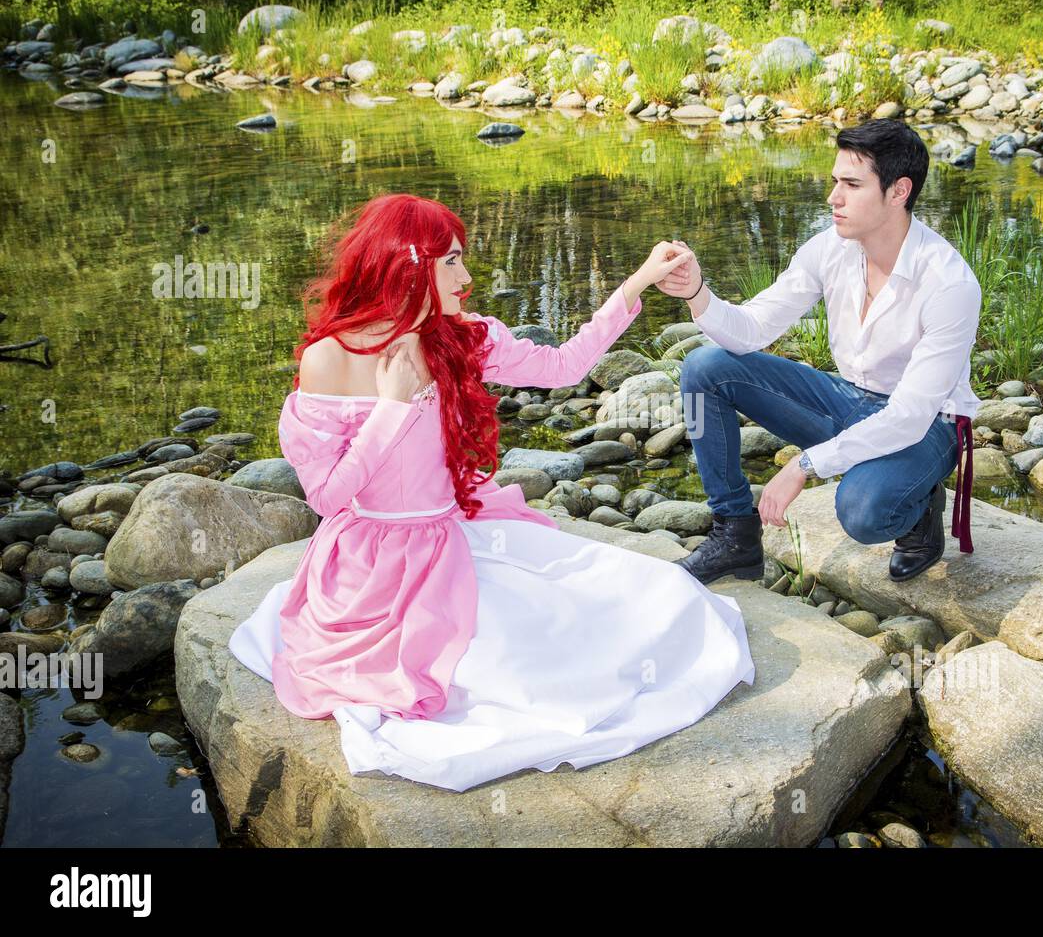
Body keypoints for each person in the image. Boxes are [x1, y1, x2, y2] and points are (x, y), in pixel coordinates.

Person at [227, 193, 755, 793]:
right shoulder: (329, 358)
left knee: (651, 596)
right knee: (507, 676)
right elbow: (326, 496)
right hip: (374, 566)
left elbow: (561, 368)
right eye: (450, 261)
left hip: (455, 533)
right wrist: (393, 406)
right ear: (406, 264)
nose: (467, 276)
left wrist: (634, 283)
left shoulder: (461, 337)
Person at [659, 119, 982, 585]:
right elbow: (750, 330)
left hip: (928, 423)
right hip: (849, 399)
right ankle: (735, 535)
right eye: (835, 181)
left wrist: (804, 465)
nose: (834, 197)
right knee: (705, 368)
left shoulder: (949, 283)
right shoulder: (831, 247)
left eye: (851, 185)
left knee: (864, 510)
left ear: (898, 192)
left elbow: (910, 415)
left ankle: (918, 515)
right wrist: (697, 292)